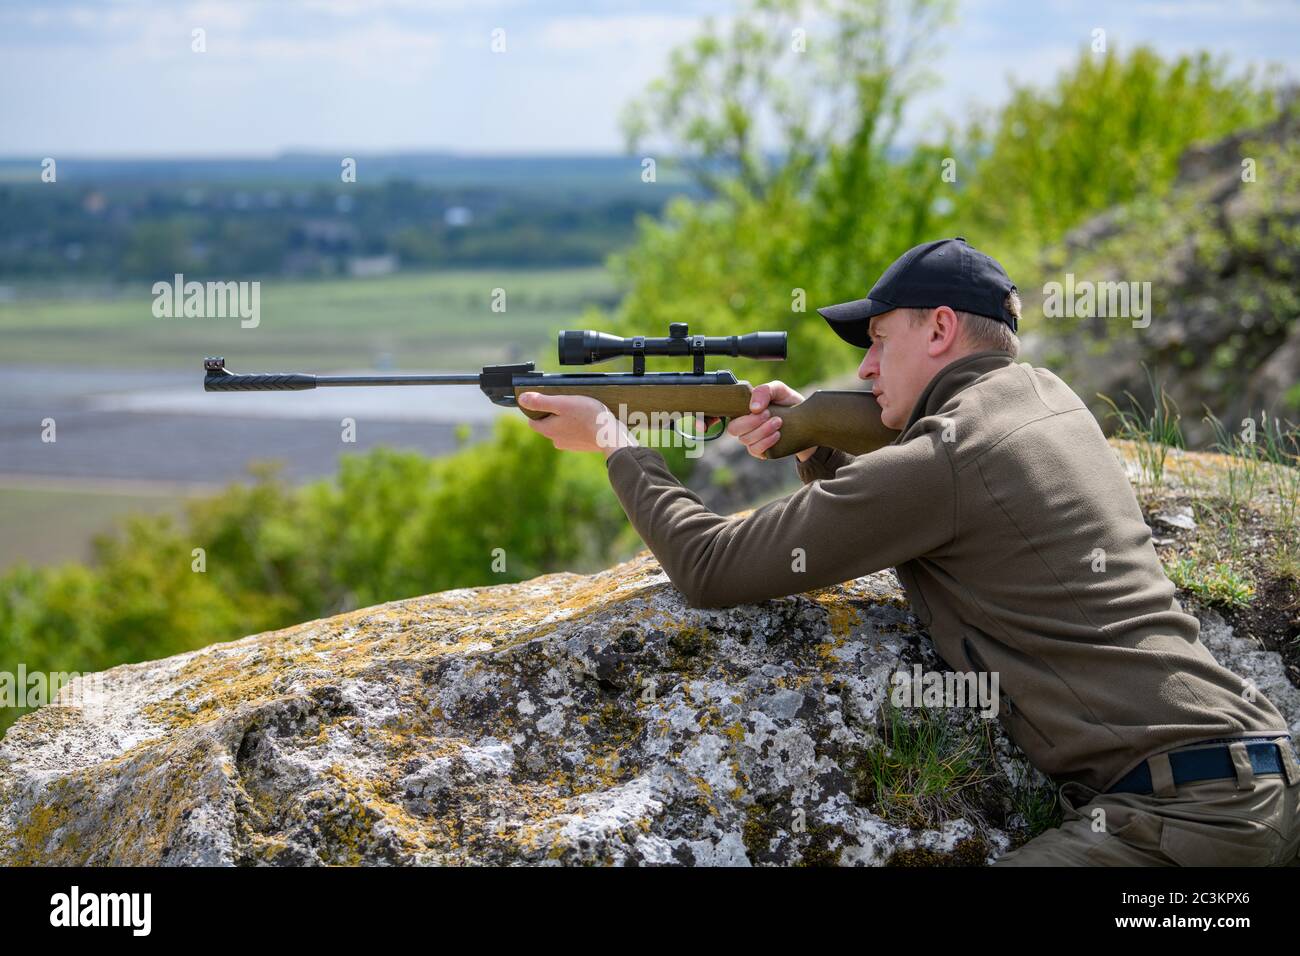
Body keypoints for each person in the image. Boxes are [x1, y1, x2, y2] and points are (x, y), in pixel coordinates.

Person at [516, 237, 1300, 866]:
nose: (862, 366)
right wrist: (815, 434)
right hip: (1253, 778)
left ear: (939, 329)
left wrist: (616, 440)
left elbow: (710, 568)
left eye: (878, 340)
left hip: (1182, 822)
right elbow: (928, 492)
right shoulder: (1047, 395)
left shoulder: (951, 455)